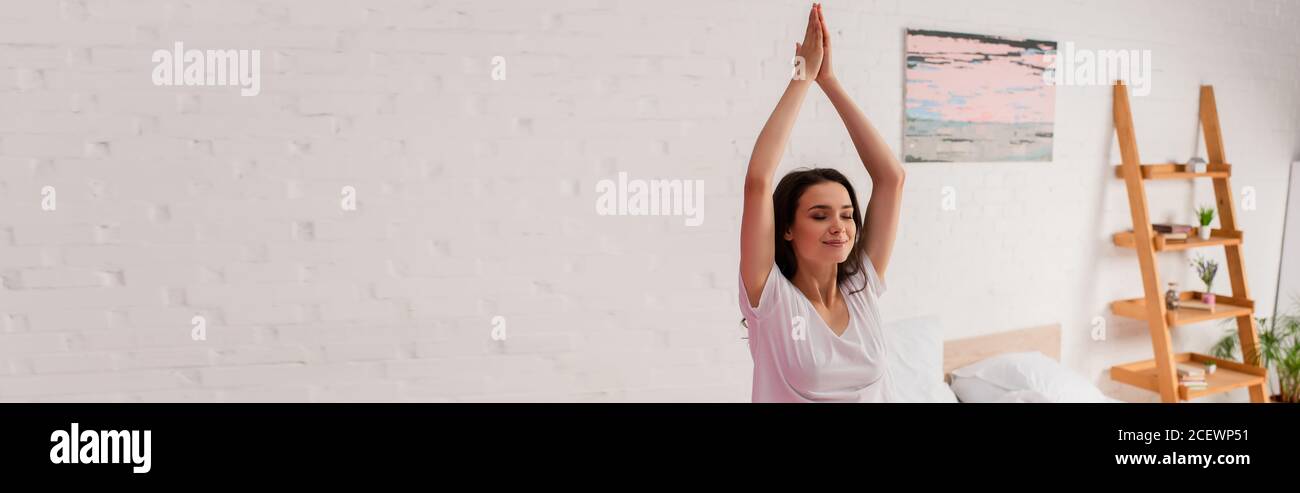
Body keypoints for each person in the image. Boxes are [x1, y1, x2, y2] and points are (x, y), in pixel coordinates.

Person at [739, 3, 906, 402]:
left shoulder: (861, 286)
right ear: (787, 228)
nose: (840, 226)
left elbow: (891, 178)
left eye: (847, 215)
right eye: (820, 215)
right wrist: (803, 76)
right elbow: (759, 182)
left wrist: (829, 80)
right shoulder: (771, 298)